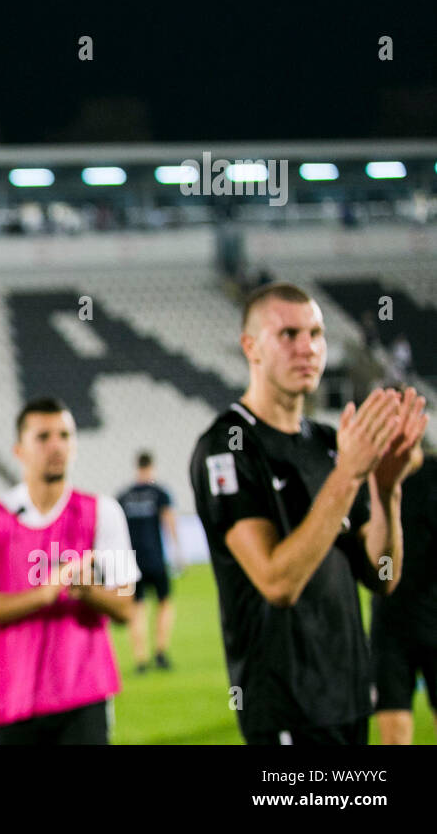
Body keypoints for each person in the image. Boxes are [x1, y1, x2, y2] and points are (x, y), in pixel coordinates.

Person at [188, 281, 427, 745]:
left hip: (350, 694)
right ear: (250, 347)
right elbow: (277, 582)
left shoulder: (326, 443)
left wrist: (384, 487)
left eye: (316, 334)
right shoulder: (229, 446)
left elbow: (382, 575)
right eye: (289, 335)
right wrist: (348, 477)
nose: (308, 348)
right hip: (283, 705)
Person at [0, 397, 139, 744]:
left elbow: (126, 607)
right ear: (19, 450)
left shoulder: (104, 512)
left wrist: (88, 590)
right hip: (13, 701)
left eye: (65, 436)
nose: (56, 446)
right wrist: (44, 592)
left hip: (84, 697)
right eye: (43, 437)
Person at [372, 438, 437, 744]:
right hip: (390, 629)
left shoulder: (434, 475)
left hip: (435, 621)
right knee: (395, 737)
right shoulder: (373, 480)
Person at [117, 451, 180, 673]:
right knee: (164, 603)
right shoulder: (159, 493)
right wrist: (177, 551)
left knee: (137, 607)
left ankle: (141, 658)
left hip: (132, 560)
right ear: (151, 466)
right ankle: (161, 651)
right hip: (155, 557)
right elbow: (169, 521)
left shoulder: (124, 496)